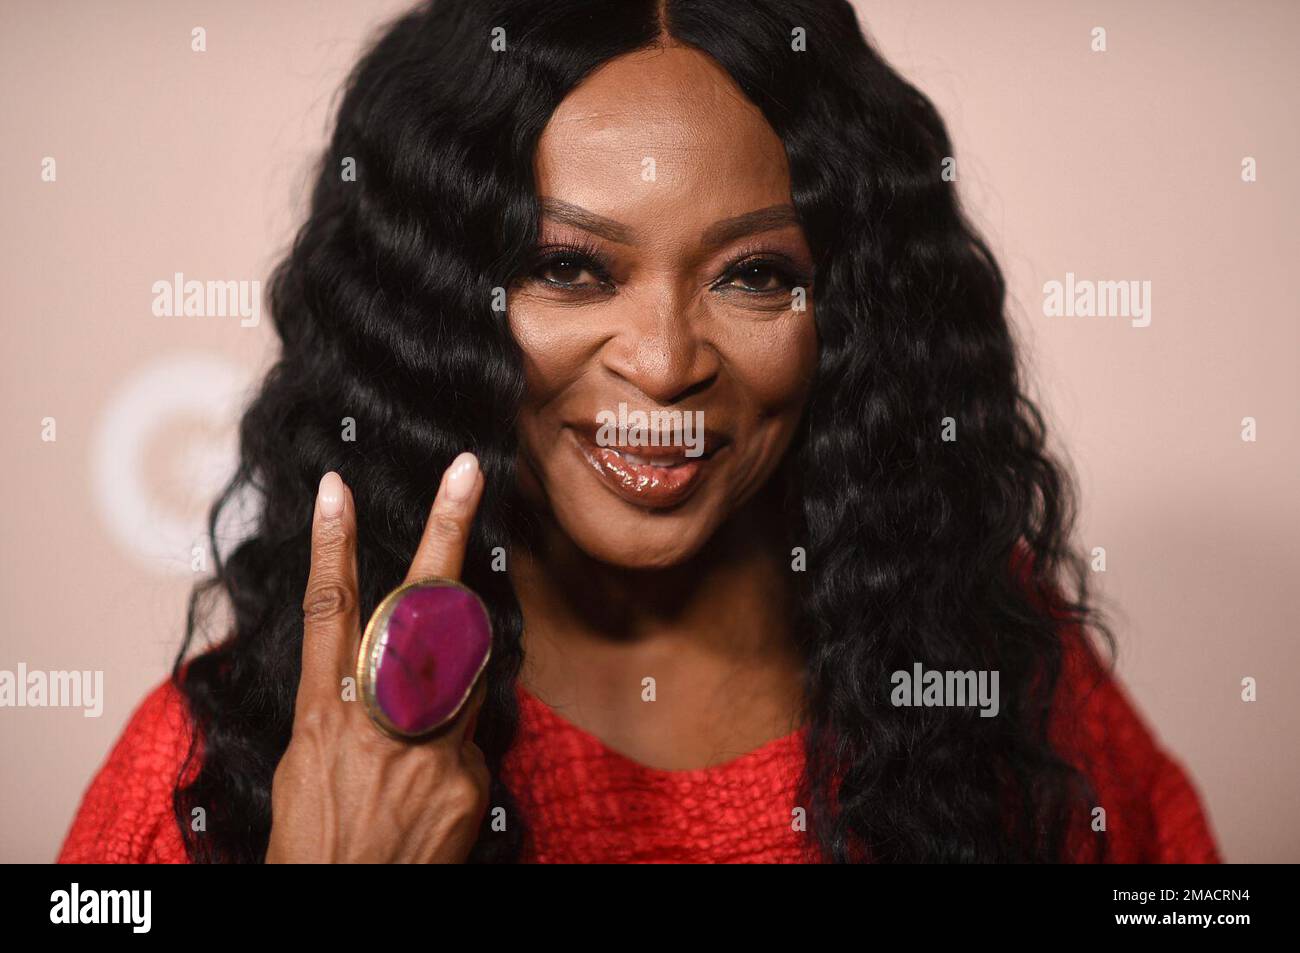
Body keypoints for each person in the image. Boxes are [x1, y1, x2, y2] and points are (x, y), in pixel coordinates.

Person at [59, 0, 1219, 864]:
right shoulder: (229, 768)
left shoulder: (987, 669)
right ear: (437, 309)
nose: (664, 361)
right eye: (569, 267)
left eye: (755, 274)